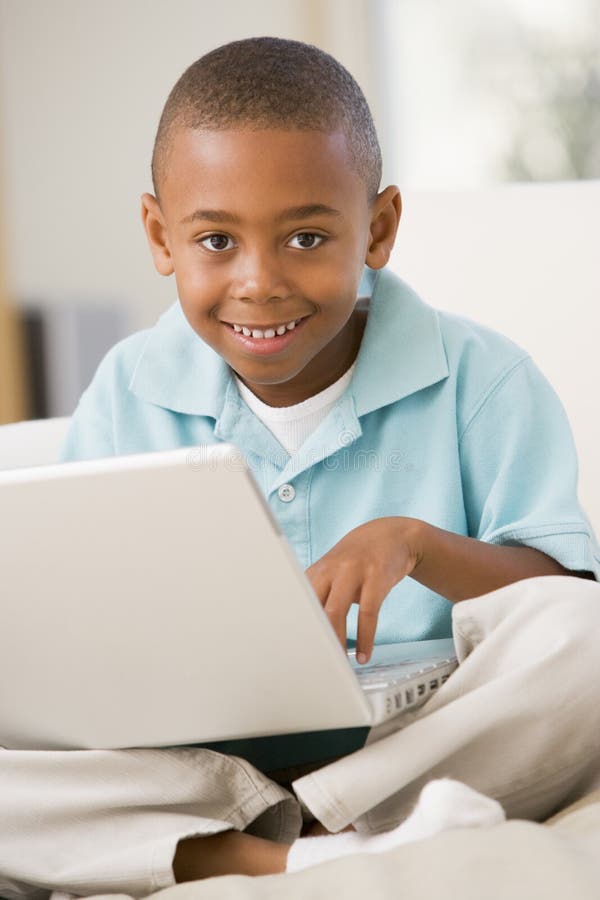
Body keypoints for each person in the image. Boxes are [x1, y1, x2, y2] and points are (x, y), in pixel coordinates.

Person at [2, 36, 600, 898]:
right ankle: (292, 854)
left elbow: (558, 594)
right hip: (191, 755)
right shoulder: (128, 389)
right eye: (216, 240)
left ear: (378, 229)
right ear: (160, 236)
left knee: (588, 641)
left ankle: (324, 820)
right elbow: (82, 616)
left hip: (418, 736)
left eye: (307, 237)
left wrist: (416, 545)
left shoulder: (484, 378)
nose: (259, 282)